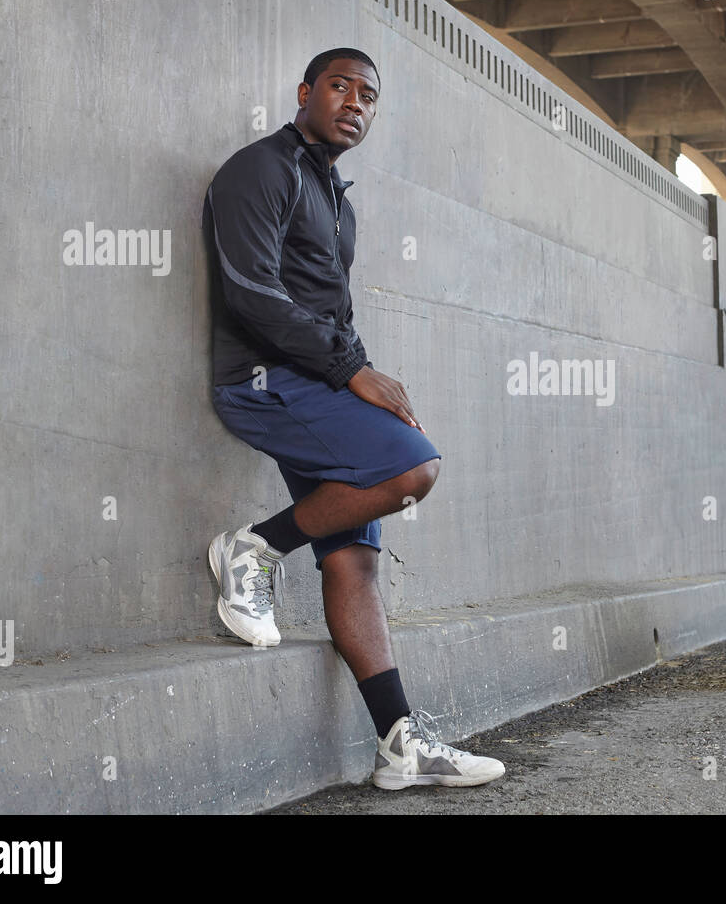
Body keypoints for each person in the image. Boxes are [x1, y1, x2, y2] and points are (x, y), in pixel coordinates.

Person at [201, 46, 504, 790]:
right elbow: (250, 292)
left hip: (317, 387)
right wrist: (352, 372)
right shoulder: (258, 170)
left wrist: (360, 369)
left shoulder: (338, 201)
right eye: (340, 87)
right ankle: (254, 546)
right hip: (263, 380)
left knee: (355, 563)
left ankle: (399, 744)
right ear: (305, 91)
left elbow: (332, 309)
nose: (356, 103)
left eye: (369, 95)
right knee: (413, 468)